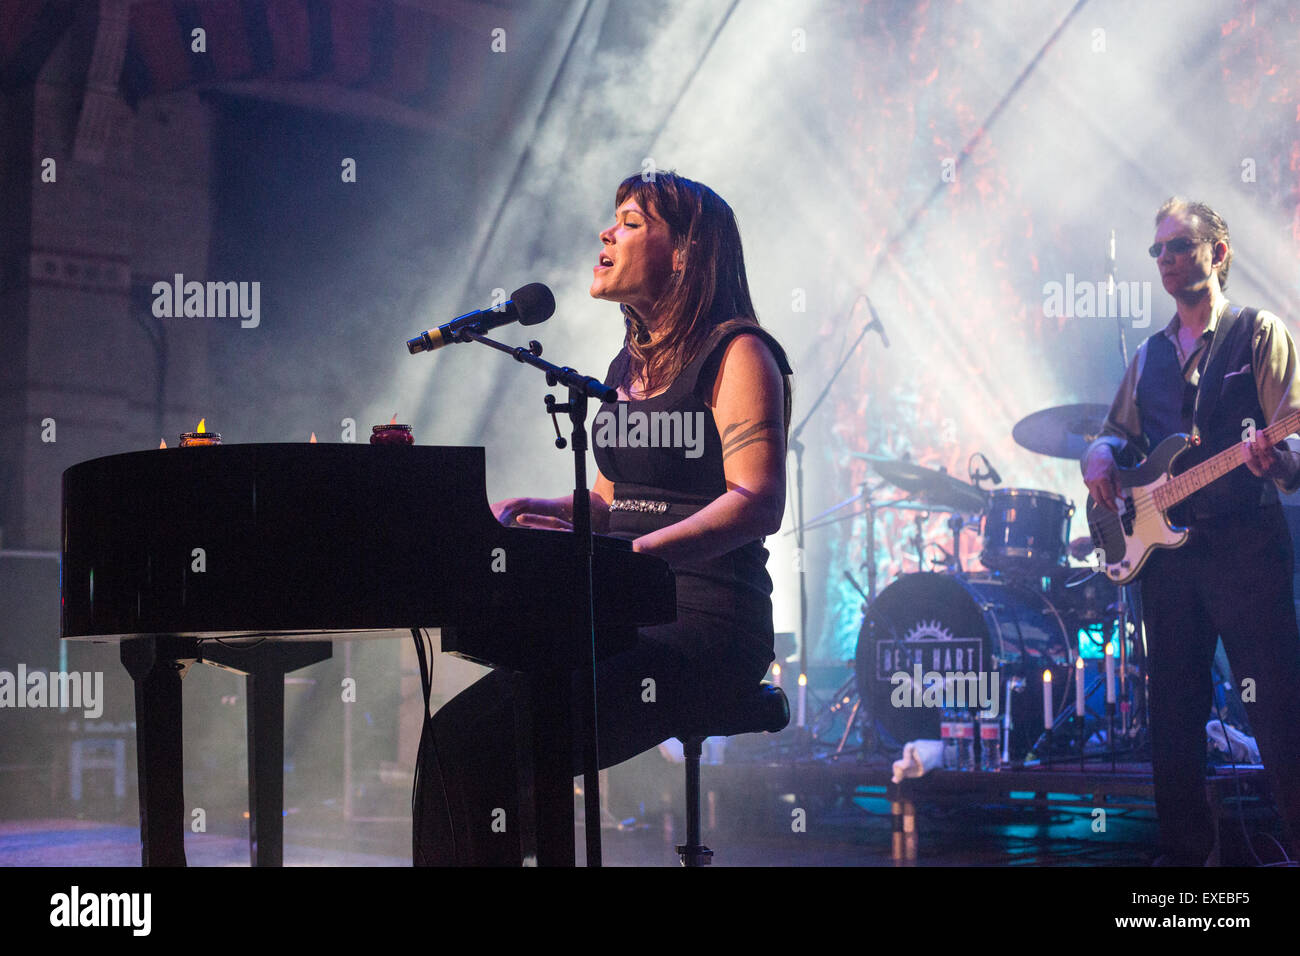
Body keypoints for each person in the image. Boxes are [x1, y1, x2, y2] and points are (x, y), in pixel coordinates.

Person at [413, 171, 793, 865]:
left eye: (629, 220)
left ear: (683, 253)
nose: (605, 233)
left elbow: (756, 500)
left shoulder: (738, 352)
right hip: (622, 612)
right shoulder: (627, 365)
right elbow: (613, 497)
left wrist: (635, 557)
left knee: (494, 745)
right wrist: (550, 510)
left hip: (707, 621)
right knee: (452, 743)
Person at [1081, 197, 1300, 865]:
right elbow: (1114, 436)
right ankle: (1181, 859)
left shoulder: (1258, 333)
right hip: (1169, 561)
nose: (1167, 260)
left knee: (1280, 707)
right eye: (1158, 251)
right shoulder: (1148, 356)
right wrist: (1097, 454)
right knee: (1173, 713)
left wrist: (1278, 460)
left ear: (1218, 254)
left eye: (1179, 246)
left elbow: (1291, 434)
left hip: (1245, 547)